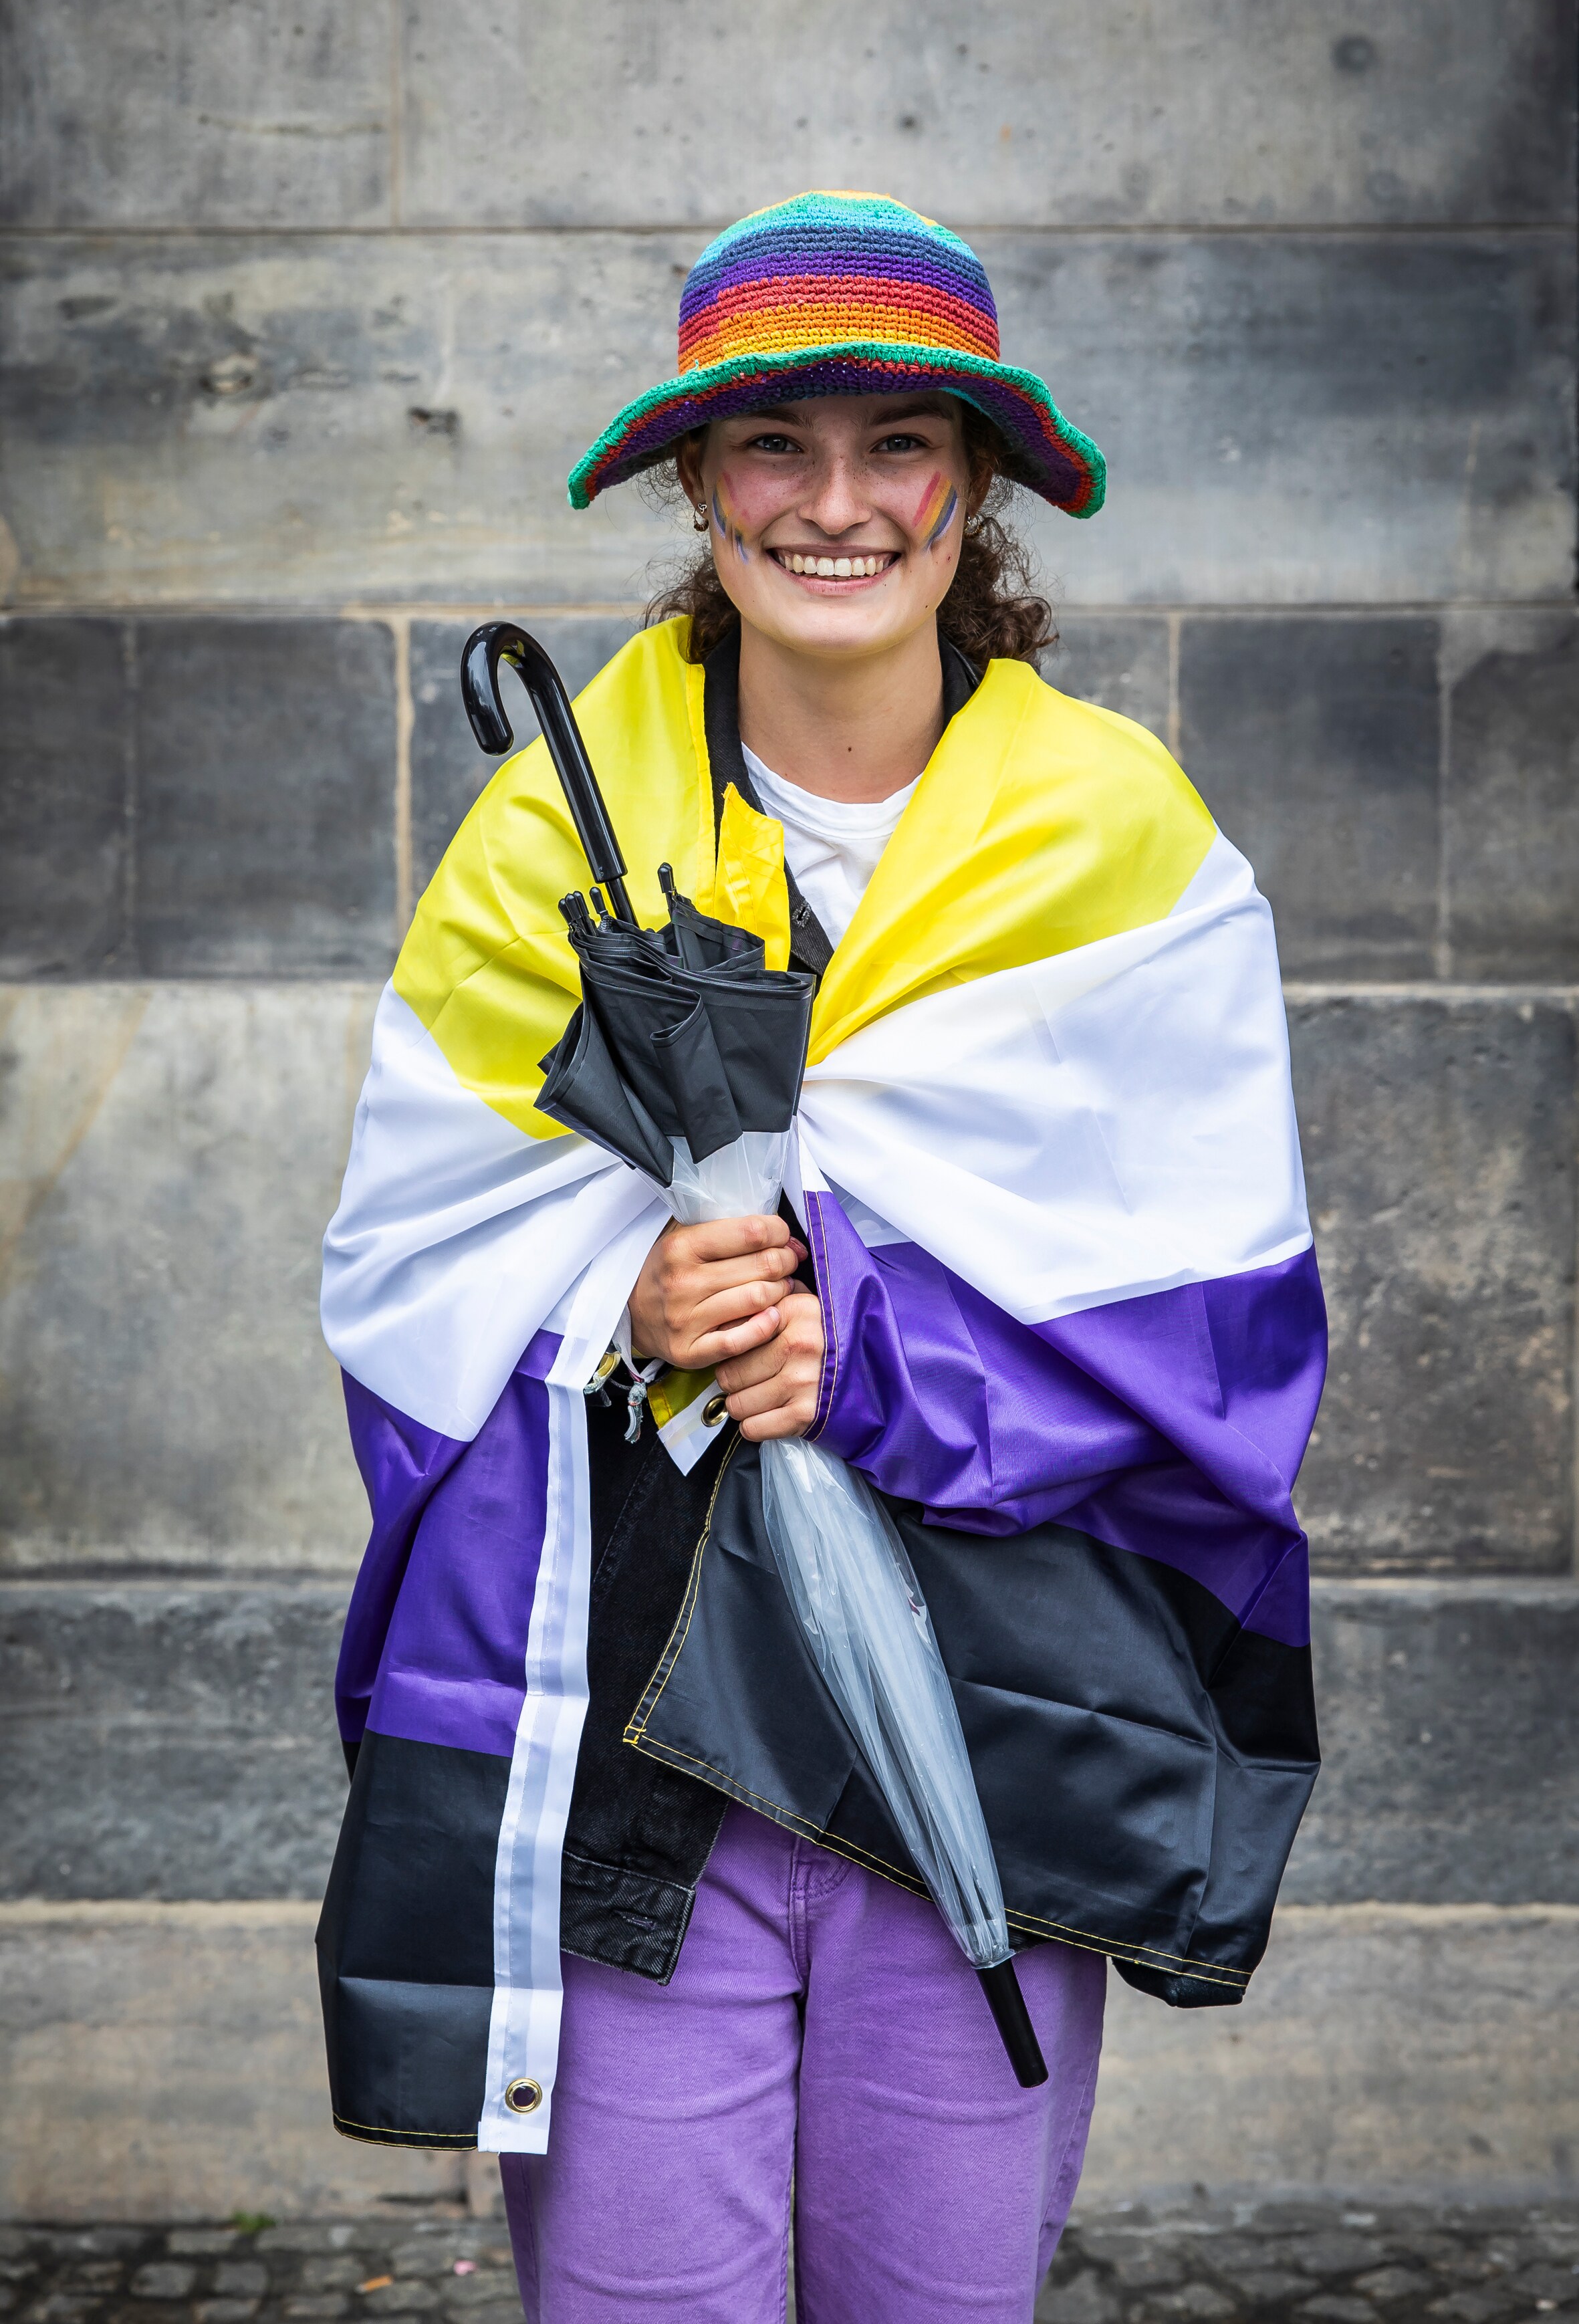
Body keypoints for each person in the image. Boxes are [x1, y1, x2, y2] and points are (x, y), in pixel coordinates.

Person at [318, 193, 1326, 2324]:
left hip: (984, 1745)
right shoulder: (553, 832)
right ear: (699, 485)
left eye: (898, 444)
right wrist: (622, 1302)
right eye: (773, 441)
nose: (836, 503)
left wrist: (870, 1348)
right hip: (637, 1773)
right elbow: (416, 1259)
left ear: (975, 489)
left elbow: (1221, 1337)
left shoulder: (1127, 849)